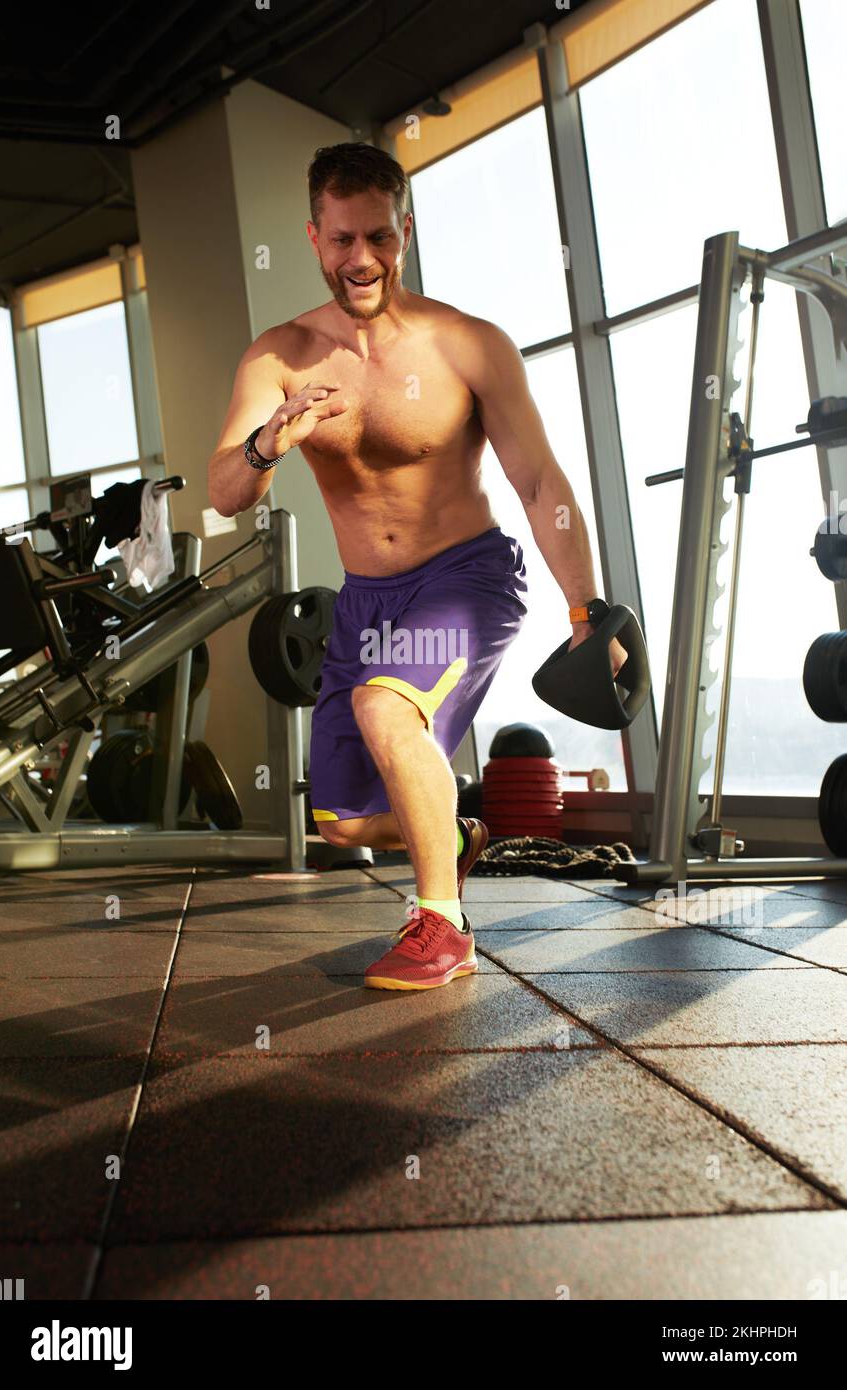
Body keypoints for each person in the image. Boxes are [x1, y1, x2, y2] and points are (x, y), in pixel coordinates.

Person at [208, 142, 624, 991]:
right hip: (367, 602)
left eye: (380, 237)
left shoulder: (466, 344)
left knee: (383, 704)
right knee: (345, 823)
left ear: (405, 230)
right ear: (314, 236)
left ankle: (441, 923)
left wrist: (588, 612)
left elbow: (539, 480)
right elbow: (223, 492)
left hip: (465, 579)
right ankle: (457, 837)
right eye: (341, 240)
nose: (361, 260)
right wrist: (266, 443)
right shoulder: (279, 357)